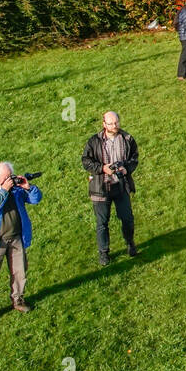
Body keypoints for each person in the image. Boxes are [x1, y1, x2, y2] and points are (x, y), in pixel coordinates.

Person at [0, 161, 42, 327]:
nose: (10, 181)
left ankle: (18, 300)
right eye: (6, 178)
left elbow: (36, 199)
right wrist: (4, 191)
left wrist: (28, 187)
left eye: (10, 177)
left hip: (15, 238)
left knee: (20, 272)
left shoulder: (16, 189)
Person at [81, 111, 139, 265]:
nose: (114, 126)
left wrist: (127, 168)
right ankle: (104, 253)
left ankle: (130, 243)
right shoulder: (94, 141)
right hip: (101, 187)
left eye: (116, 122)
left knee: (127, 219)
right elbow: (86, 161)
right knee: (102, 223)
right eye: (111, 123)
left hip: (121, 186)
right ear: (104, 124)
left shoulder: (127, 138)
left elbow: (134, 157)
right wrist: (102, 168)